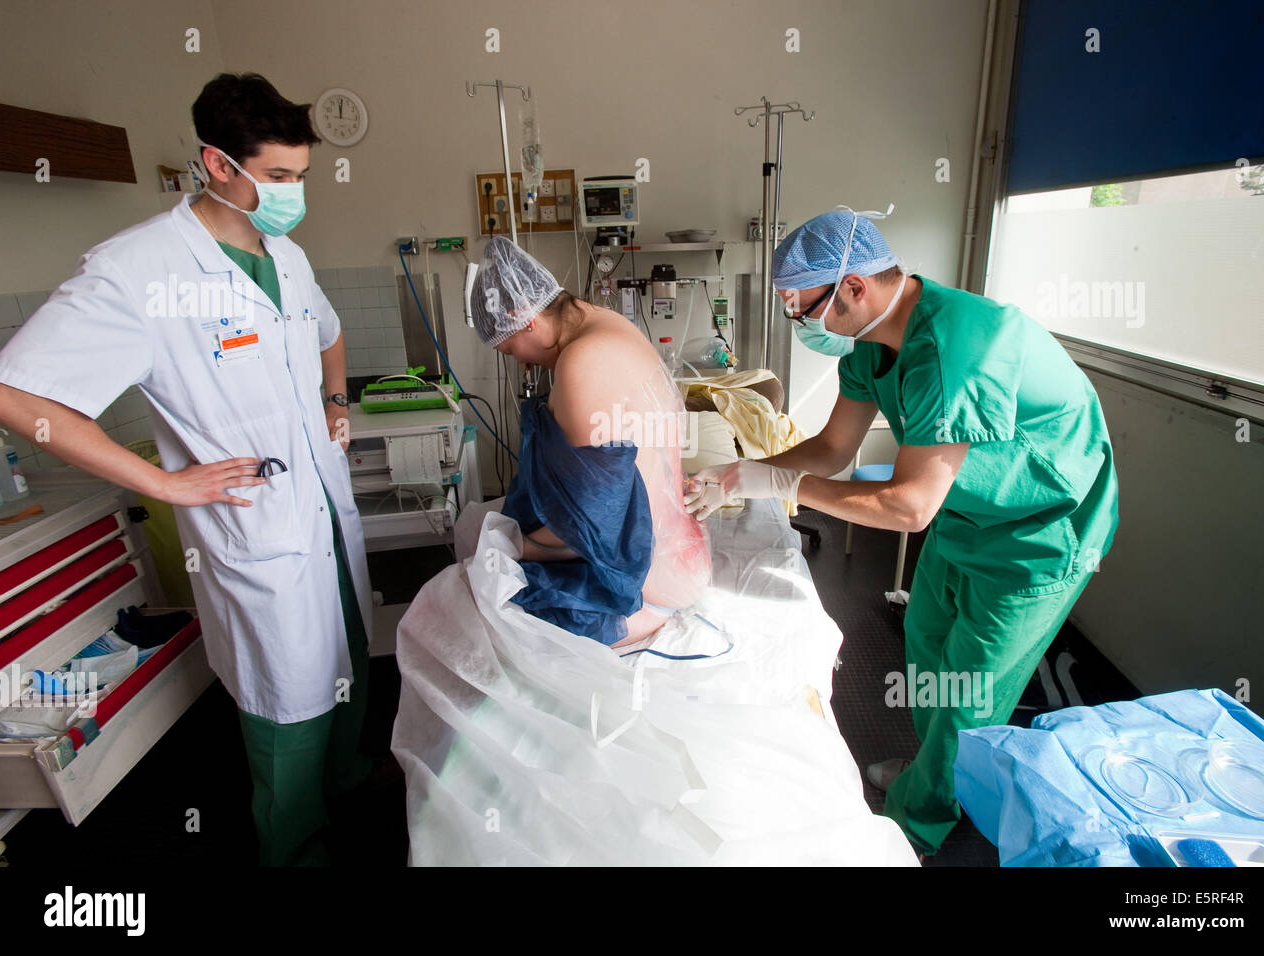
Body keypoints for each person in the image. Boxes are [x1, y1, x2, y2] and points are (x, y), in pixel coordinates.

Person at [0, 73, 372, 865]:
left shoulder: (290, 258)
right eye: (277, 177)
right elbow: (14, 393)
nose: (294, 194)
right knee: (286, 705)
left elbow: (329, 334)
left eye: (300, 176)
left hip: (326, 518)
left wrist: (336, 403)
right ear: (217, 164)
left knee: (347, 667)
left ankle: (356, 795)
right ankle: (294, 849)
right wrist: (166, 486)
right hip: (255, 531)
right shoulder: (141, 271)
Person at [685, 206, 1119, 858]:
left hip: (1041, 529)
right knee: (927, 643)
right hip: (970, 515)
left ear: (854, 288)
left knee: (971, 690)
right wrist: (741, 472)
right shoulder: (873, 343)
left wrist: (781, 487)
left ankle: (918, 828)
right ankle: (932, 775)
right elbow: (833, 447)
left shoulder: (955, 350)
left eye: (806, 313)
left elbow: (911, 506)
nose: (805, 328)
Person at [467, 236, 710, 646]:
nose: (523, 362)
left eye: (511, 350)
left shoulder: (582, 363)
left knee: (489, 624)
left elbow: (598, 525)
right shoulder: (610, 324)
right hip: (679, 555)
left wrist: (516, 548)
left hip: (643, 588)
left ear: (523, 316)